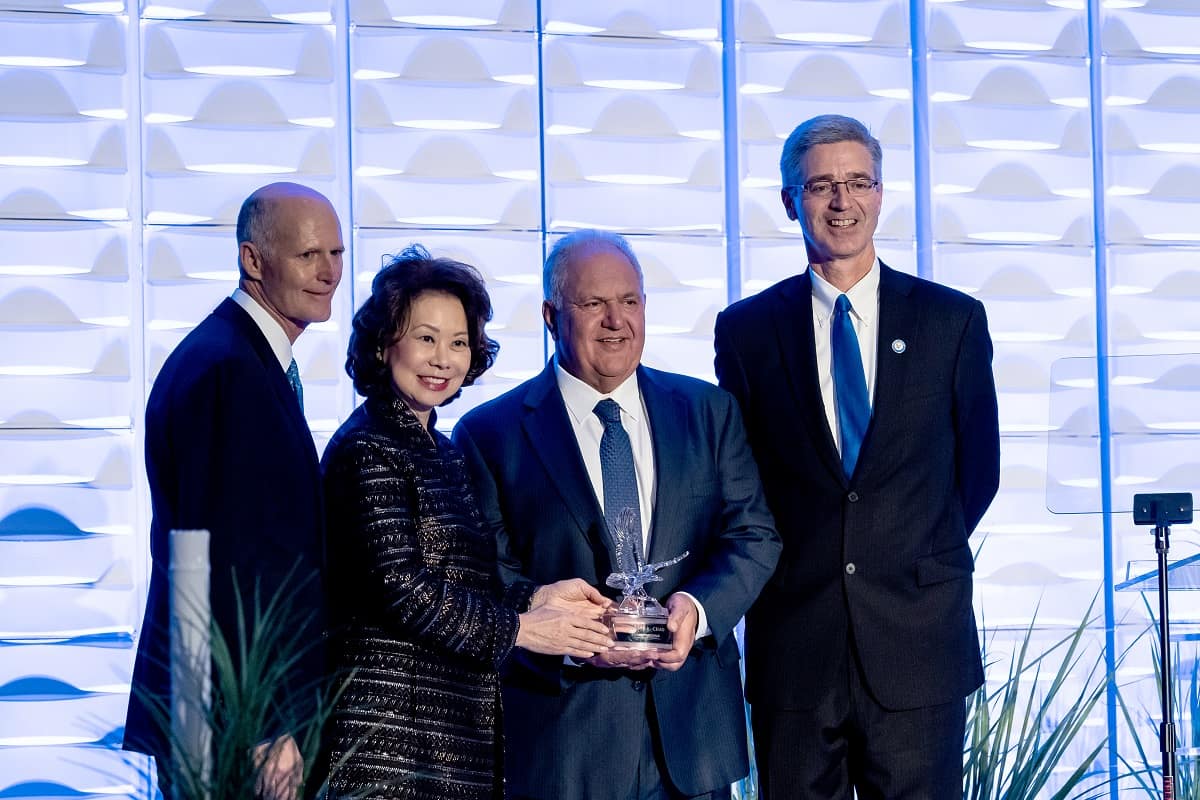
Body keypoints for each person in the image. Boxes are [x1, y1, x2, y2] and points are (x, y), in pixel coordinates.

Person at [713, 114, 1001, 799]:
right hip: (796, 640)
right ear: (790, 202)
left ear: (880, 192)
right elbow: (742, 479)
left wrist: (902, 547)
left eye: (857, 182)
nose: (842, 201)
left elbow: (978, 471)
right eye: (820, 186)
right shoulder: (748, 332)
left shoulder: (950, 321)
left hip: (917, 639)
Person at [452, 230, 782, 800]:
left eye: (629, 301)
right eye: (593, 304)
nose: (615, 320)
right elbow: (488, 574)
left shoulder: (707, 411)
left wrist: (697, 611)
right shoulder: (489, 434)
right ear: (552, 316)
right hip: (564, 743)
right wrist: (566, 629)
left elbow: (753, 535)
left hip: (690, 742)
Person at [319, 245, 614, 800]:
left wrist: (539, 598)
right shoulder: (367, 449)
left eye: (458, 343)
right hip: (390, 748)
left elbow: (470, 579)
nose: (443, 359)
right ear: (385, 344)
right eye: (426, 338)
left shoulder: (443, 449)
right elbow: (403, 590)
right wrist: (525, 629)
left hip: (448, 738)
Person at [124, 182, 346, 800]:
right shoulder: (229, 371)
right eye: (308, 256)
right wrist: (267, 724)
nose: (328, 273)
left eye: (336, 254)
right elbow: (236, 563)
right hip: (235, 720)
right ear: (253, 260)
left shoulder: (239, 358)